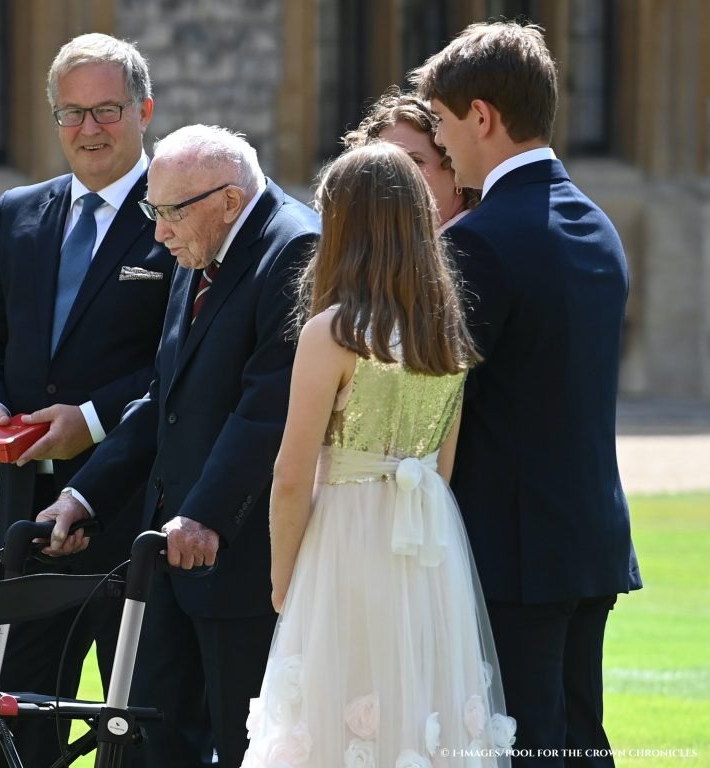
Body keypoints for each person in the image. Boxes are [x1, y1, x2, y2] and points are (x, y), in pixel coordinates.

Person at [38, 124, 320, 768]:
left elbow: (268, 411)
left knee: (248, 746)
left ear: (228, 199)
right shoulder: (198, 247)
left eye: (171, 213)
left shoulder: (294, 248)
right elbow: (163, 399)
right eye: (152, 211)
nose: (159, 233)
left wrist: (207, 516)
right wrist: (83, 495)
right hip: (166, 553)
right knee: (146, 740)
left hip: (241, 558)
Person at [412, 21, 642, 766]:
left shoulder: (477, 239)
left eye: (441, 122)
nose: (440, 143)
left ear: (481, 116)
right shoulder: (597, 225)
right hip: (587, 540)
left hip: (512, 552)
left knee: (524, 746)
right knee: (579, 743)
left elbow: (433, 399)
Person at [241, 141, 513, 767]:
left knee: (338, 708)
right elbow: (442, 466)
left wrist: (284, 579)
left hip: (347, 538)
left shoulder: (334, 333)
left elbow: (291, 473)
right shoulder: (446, 333)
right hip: (428, 543)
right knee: (417, 704)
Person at [0, 32, 175, 766]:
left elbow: (182, 363)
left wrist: (93, 421)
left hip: (133, 512)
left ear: (143, 111)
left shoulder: (179, 211)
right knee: (17, 719)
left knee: (135, 727)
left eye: (107, 110)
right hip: (27, 518)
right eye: (71, 113)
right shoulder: (19, 211)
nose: (89, 129)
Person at [342, 85, 480, 230]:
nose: (395, 175)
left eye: (415, 161)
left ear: (457, 168)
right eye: (383, 163)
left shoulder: (472, 238)